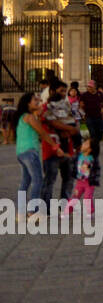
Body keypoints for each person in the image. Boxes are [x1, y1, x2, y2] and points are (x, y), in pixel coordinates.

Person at [15, 92, 52, 222]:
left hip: (21, 152)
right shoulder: (29, 117)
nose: (38, 102)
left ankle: (20, 213)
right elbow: (42, 133)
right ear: (28, 103)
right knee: (38, 180)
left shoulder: (22, 116)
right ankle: (33, 212)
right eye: (34, 100)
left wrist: (39, 111)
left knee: (25, 181)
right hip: (30, 152)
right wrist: (55, 146)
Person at [80, 78, 103, 153]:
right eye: (88, 87)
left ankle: (95, 143)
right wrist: (83, 114)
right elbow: (81, 105)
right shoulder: (84, 95)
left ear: (95, 87)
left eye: (90, 87)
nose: (89, 88)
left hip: (99, 116)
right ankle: (93, 147)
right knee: (92, 133)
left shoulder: (99, 94)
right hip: (89, 117)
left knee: (100, 132)